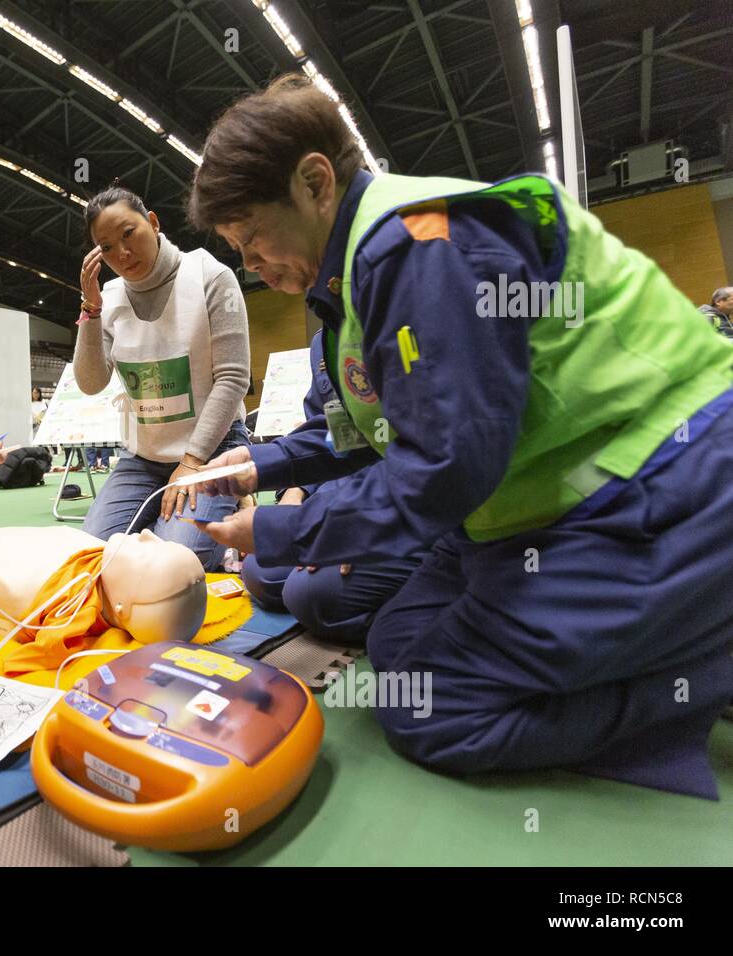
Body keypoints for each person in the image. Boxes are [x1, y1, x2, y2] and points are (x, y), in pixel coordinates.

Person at [187, 73, 733, 798]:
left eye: (252, 240)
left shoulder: (419, 247)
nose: (251, 266)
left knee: (428, 711)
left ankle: (700, 672)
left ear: (316, 182)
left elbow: (445, 466)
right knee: (392, 644)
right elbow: (364, 429)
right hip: (543, 508)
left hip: (666, 481)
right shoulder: (354, 281)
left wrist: (285, 530)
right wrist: (258, 466)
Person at [74, 183, 251, 570]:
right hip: (144, 457)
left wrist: (191, 461)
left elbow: (234, 378)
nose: (121, 253)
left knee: (172, 565)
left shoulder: (211, 275)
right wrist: (91, 310)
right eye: (106, 247)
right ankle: (200, 511)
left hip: (212, 450)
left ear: (152, 223)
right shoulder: (110, 297)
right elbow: (91, 382)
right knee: (86, 559)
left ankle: (231, 505)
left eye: (128, 233)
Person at [240, 332, 429, 645]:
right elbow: (332, 432)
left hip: (407, 501)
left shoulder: (406, 327)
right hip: (346, 484)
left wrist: (349, 524)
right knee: (261, 570)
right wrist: (296, 492)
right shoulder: (326, 339)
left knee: (308, 596)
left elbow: (422, 458)